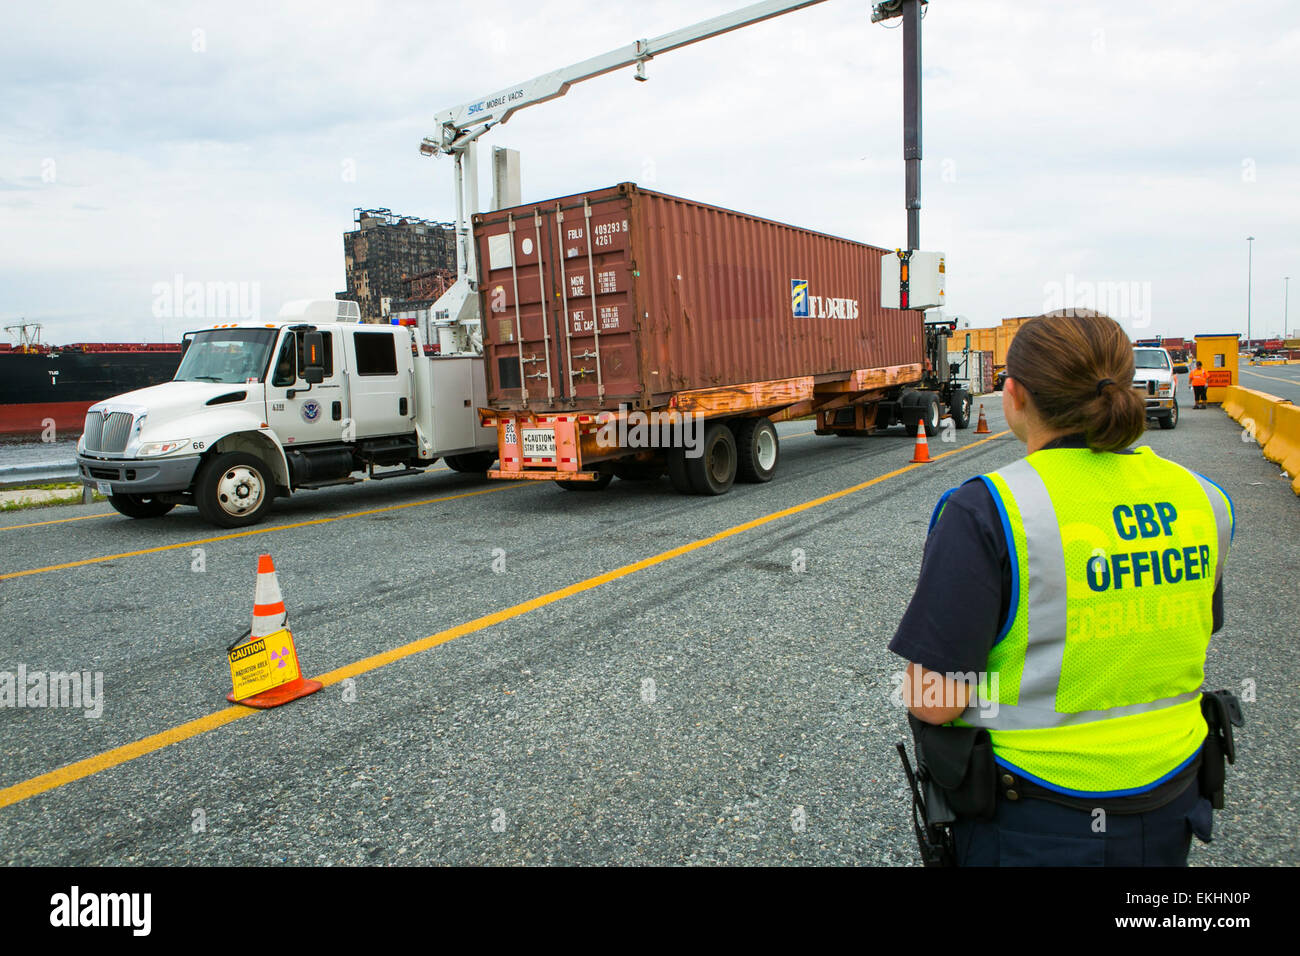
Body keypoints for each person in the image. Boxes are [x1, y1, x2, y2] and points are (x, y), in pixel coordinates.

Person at [890, 312, 1234, 866]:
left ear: (1015, 394)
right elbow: (1189, 626)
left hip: (1035, 819)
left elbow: (936, 702)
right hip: (1173, 801)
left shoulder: (986, 510)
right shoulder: (1205, 498)